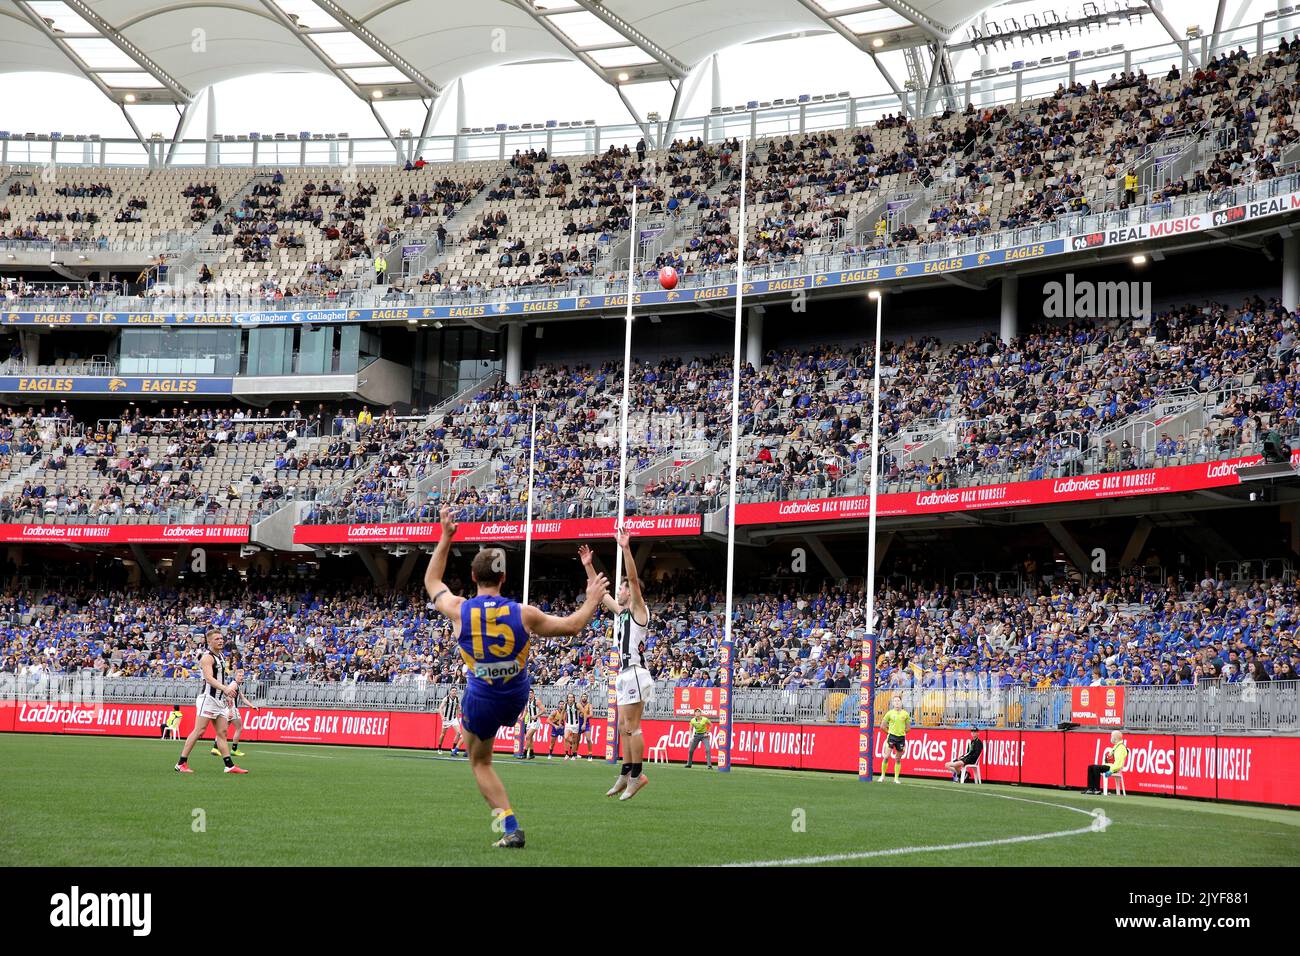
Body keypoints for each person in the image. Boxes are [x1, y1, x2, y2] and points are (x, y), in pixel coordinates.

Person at [425, 505, 608, 848]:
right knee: (503, 711)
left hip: (481, 696)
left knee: (479, 762)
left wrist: (446, 537)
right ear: (504, 578)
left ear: (474, 576)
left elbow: (432, 581)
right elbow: (573, 626)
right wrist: (592, 599)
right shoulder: (524, 613)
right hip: (515, 696)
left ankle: (508, 826)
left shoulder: (460, 610)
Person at [581, 532, 655, 801]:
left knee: (633, 726)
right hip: (625, 674)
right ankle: (626, 773)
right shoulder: (622, 613)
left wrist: (626, 549)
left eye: (622, 588)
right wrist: (589, 565)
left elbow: (633, 580)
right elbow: (601, 595)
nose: (620, 591)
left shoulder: (638, 610)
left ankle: (637, 775)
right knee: (624, 726)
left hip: (636, 671)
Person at [174, 630, 247, 775]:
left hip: (218, 700)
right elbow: (208, 678)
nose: (220, 641)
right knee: (199, 730)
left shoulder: (220, 655)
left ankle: (229, 766)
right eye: (217, 639)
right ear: (209, 642)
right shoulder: (207, 657)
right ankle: (181, 763)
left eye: (221, 638)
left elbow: (220, 678)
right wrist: (225, 689)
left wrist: (224, 694)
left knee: (222, 732)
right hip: (208, 699)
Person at [212, 674, 258, 758]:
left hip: (227, 709)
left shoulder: (237, 685)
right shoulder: (234, 685)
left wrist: (251, 705)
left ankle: (215, 748)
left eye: (242, 676)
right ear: (235, 676)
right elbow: (228, 696)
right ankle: (234, 749)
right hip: (232, 709)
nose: (242, 677)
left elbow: (242, 698)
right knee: (239, 728)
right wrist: (230, 710)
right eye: (240, 675)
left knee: (223, 730)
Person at [1083, 729, 1128, 794]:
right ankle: (1090, 788)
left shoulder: (1121, 748)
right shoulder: (1116, 746)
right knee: (1090, 767)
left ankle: (1097, 789)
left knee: (1096, 768)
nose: (1111, 738)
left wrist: (1111, 771)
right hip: (1109, 766)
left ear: (1115, 738)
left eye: (1112, 736)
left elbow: (1119, 763)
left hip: (1113, 768)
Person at [878, 695, 910, 784]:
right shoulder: (889, 713)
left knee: (898, 758)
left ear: (901, 702)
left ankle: (896, 778)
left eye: (898, 701)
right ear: (893, 703)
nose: (897, 702)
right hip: (891, 736)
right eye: (895, 701)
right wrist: (889, 733)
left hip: (901, 738)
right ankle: (882, 776)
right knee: (886, 756)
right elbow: (882, 726)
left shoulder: (905, 714)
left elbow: (908, 728)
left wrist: (902, 733)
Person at [517, 690, 542, 760]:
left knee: (527, 736)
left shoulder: (537, 701)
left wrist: (536, 716)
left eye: (531, 693)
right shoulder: (527, 702)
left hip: (536, 721)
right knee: (530, 738)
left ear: (533, 694)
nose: (530, 695)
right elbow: (526, 710)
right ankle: (532, 753)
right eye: (529, 693)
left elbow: (543, 710)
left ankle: (524, 753)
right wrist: (522, 717)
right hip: (529, 722)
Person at [438, 687, 463, 755]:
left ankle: (453, 748)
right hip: (446, 719)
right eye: (453, 691)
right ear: (450, 692)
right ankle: (439, 748)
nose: (454, 692)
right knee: (443, 734)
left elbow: (458, 708)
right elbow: (440, 708)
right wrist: (442, 717)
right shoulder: (446, 699)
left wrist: (457, 717)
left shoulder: (457, 699)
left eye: (455, 691)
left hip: (453, 718)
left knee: (458, 733)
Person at [562, 692, 582, 760]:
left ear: (574, 698)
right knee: (566, 737)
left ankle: (573, 755)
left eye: (571, 697)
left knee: (574, 741)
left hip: (575, 724)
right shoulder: (565, 705)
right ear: (567, 698)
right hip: (568, 724)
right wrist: (560, 722)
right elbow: (562, 713)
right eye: (569, 697)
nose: (570, 698)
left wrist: (584, 723)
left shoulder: (577, 705)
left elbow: (584, 712)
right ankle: (567, 754)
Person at [577, 694, 596, 759]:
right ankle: (575, 753)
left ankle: (590, 754)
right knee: (577, 739)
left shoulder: (589, 705)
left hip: (586, 723)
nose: (584, 698)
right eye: (583, 697)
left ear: (587, 698)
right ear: (581, 698)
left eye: (585, 697)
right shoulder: (578, 704)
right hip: (578, 723)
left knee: (588, 739)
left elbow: (591, 714)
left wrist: (585, 716)